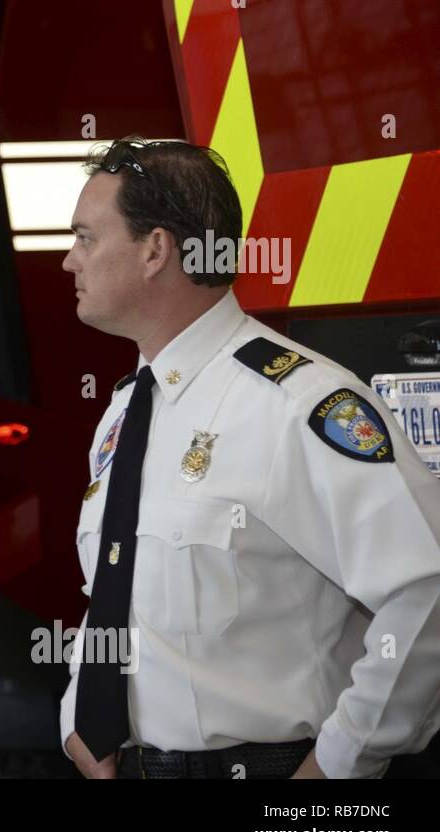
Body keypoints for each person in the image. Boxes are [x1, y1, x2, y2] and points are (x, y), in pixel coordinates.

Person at [57, 137, 440, 779]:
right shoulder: (125, 410)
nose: (69, 261)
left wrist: (339, 767)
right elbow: (116, 592)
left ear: (156, 250)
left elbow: (426, 592)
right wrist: (80, 719)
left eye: (86, 238)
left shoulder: (302, 405)